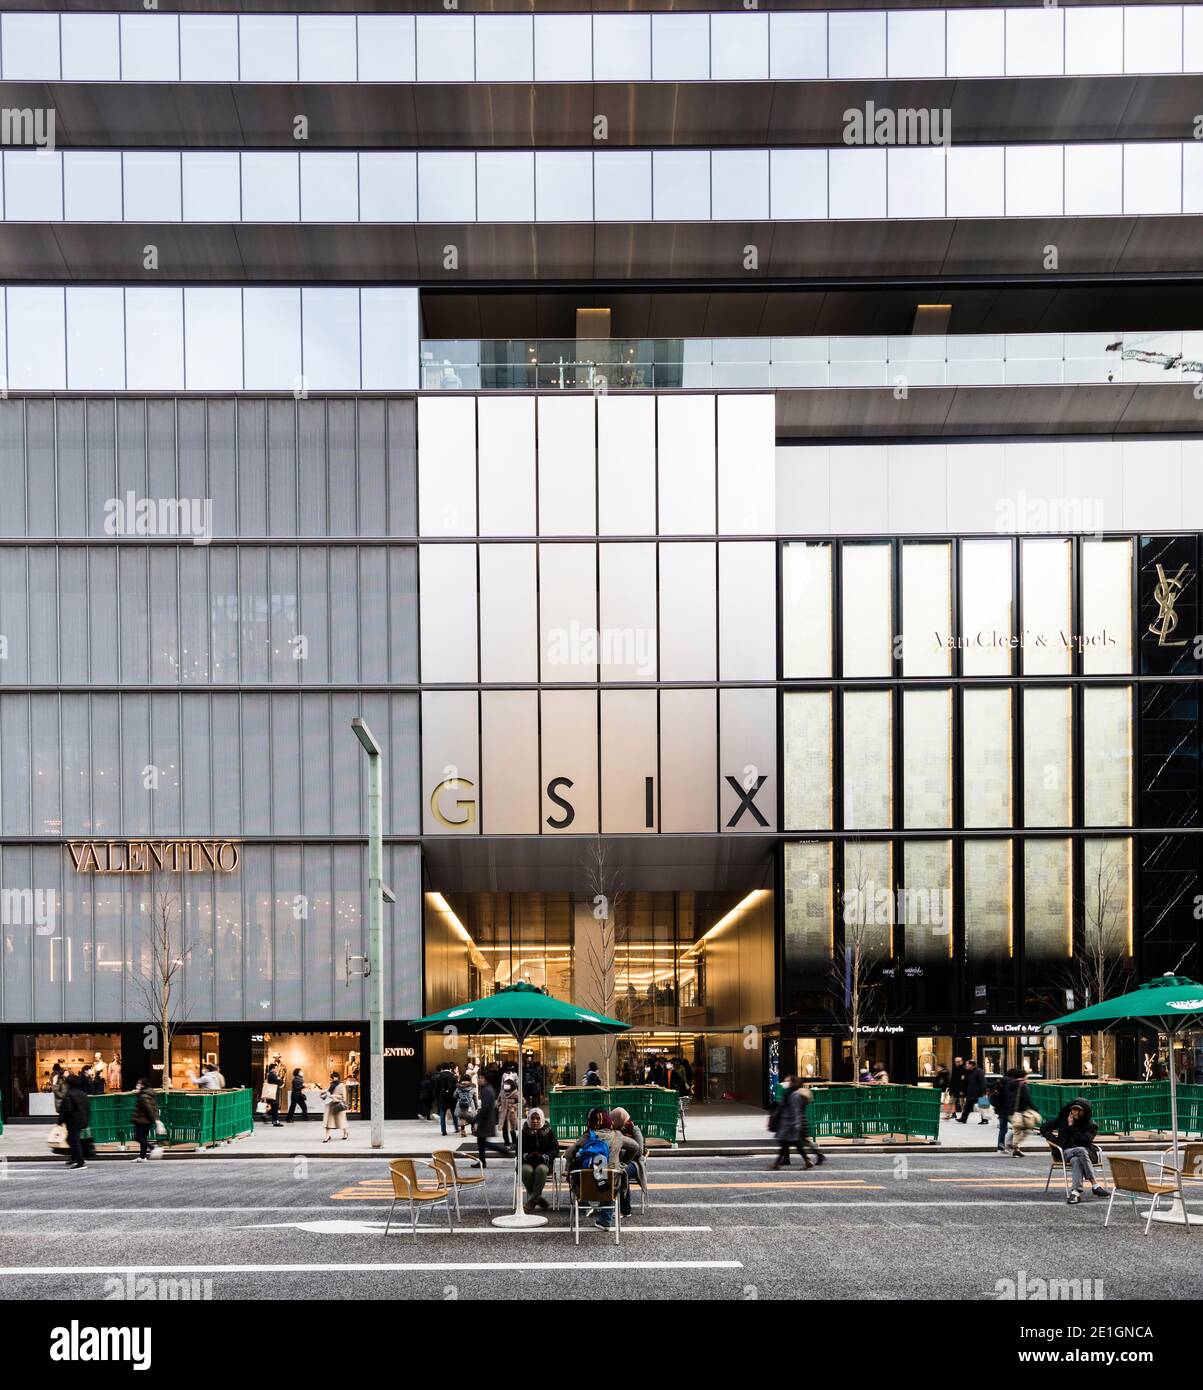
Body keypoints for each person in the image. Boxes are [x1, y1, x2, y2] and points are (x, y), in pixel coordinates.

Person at [563, 1107, 641, 1230]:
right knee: (612, 1176)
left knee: (578, 1175)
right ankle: (605, 1220)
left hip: (587, 1186)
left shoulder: (589, 1136)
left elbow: (568, 1154)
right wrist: (623, 1162)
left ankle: (585, 1206)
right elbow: (635, 1147)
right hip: (609, 1186)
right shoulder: (618, 1135)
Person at [1040, 1099, 1107, 1203]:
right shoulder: (1063, 1120)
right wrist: (1056, 1141)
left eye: (1078, 1110)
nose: (1075, 1112)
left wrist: (1072, 1127)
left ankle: (1075, 1193)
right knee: (1080, 1151)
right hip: (1065, 1151)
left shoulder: (1091, 1125)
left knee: (1077, 1158)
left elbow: (1084, 1142)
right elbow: (1044, 1128)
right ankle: (1094, 1184)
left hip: (1087, 1154)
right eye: (1074, 1109)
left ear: (1085, 1112)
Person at [772, 1076, 825, 1169]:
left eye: (787, 1081)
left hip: (793, 1123)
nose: (784, 1083)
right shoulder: (789, 1093)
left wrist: (797, 1123)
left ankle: (781, 1162)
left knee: (794, 1143)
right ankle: (785, 1161)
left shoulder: (795, 1095)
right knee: (790, 1143)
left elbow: (796, 1110)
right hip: (790, 1123)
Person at [609, 1105, 647, 1215]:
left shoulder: (635, 1130)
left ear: (619, 1119)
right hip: (618, 1161)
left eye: (614, 1119)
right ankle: (607, 1206)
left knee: (621, 1172)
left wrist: (621, 1152)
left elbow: (639, 1151)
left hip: (635, 1163)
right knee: (609, 1171)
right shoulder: (614, 1131)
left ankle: (625, 1210)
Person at [521, 1107, 560, 1213]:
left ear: (542, 1119)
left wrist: (544, 1156)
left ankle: (532, 1201)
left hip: (544, 1162)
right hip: (528, 1161)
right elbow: (518, 1150)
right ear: (528, 1119)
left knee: (541, 1170)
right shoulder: (524, 1131)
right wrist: (527, 1155)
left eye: (537, 1118)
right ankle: (537, 1198)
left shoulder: (549, 1131)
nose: (535, 1121)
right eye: (532, 1118)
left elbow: (555, 1149)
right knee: (525, 1171)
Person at [473, 1076, 513, 1169]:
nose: (479, 1080)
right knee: (481, 1141)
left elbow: (486, 1107)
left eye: (481, 1078)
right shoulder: (489, 1089)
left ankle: (502, 1150)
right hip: (487, 1119)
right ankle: (482, 1161)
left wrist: (476, 1118)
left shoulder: (487, 1090)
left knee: (482, 1142)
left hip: (485, 1120)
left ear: (485, 1079)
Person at [1001, 1067, 1039, 1157]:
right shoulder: (1023, 1085)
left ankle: (1015, 1149)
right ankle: (1011, 1145)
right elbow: (1027, 1099)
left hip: (1010, 1111)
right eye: (1026, 1076)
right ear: (1023, 1076)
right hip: (1020, 1111)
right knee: (1027, 1130)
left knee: (1016, 1130)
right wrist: (1035, 1108)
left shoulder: (1010, 1084)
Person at [59, 1073, 91, 1171]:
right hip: (82, 1120)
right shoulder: (83, 1094)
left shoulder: (69, 1094)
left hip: (73, 1121)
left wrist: (60, 1120)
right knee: (72, 1139)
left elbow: (66, 1110)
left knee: (74, 1140)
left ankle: (80, 1161)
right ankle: (74, 1157)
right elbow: (87, 1108)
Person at [130, 1079, 159, 1161]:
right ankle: (142, 1156)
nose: (137, 1085)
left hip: (142, 1120)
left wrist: (155, 1120)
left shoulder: (143, 1096)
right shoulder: (147, 1094)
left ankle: (152, 1147)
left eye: (138, 1084)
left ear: (142, 1085)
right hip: (145, 1120)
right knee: (143, 1138)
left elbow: (149, 1109)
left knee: (138, 1138)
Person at [957, 1057, 988, 1124]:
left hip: (979, 1093)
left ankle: (985, 1119)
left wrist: (983, 1092)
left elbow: (983, 1082)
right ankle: (963, 1119)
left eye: (967, 1064)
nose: (966, 1065)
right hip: (971, 1093)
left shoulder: (979, 1071)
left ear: (971, 1065)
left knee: (983, 1106)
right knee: (967, 1107)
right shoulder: (969, 1072)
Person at [322, 1071, 350, 1143]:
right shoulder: (331, 1085)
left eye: (332, 1077)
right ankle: (327, 1136)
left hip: (338, 1106)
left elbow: (343, 1097)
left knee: (341, 1122)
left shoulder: (341, 1085)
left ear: (336, 1077)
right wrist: (323, 1094)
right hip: (330, 1106)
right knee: (328, 1123)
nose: (330, 1079)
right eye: (330, 1078)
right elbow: (327, 1093)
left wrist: (332, 1096)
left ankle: (345, 1132)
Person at [433, 1063, 458, 1136]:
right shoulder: (453, 1076)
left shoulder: (439, 1077)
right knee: (454, 1114)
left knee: (442, 1115)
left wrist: (437, 1098)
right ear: (450, 1068)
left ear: (442, 1068)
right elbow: (456, 1088)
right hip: (452, 1099)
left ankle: (443, 1131)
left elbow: (436, 1089)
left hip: (442, 1099)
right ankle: (456, 1128)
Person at [498, 1071, 521, 1146]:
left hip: (511, 1114)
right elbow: (498, 1101)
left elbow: (521, 1102)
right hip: (503, 1114)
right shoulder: (502, 1092)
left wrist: (514, 1106)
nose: (506, 1085)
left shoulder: (516, 1093)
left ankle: (514, 1142)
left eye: (508, 1084)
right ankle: (506, 1143)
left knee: (512, 1129)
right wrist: (499, 1107)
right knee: (505, 1130)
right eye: (505, 1083)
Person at [452, 1073, 478, 1137]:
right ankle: (473, 1129)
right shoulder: (472, 1087)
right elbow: (475, 1098)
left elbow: (454, 1096)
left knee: (462, 1118)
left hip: (461, 1105)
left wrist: (459, 1096)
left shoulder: (459, 1087)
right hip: (470, 1105)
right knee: (472, 1117)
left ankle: (463, 1131)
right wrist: (476, 1106)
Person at [263, 1060, 285, 1127]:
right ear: (273, 1068)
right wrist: (280, 1081)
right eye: (276, 1068)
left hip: (272, 1093)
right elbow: (278, 1081)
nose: (277, 1069)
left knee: (274, 1108)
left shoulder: (270, 1074)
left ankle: (268, 1117)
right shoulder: (272, 1074)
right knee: (275, 1108)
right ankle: (272, 1120)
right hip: (273, 1094)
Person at [946, 1055, 965, 1120]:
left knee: (962, 1104)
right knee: (951, 1102)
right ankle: (949, 1115)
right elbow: (952, 1079)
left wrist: (963, 1090)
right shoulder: (955, 1069)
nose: (957, 1063)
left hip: (961, 1090)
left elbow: (964, 1081)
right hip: (954, 1089)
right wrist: (949, 1087)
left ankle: (963, 1116)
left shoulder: (964, 1069)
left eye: (958, 1061)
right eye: (956, 1061)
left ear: (962, 1061)